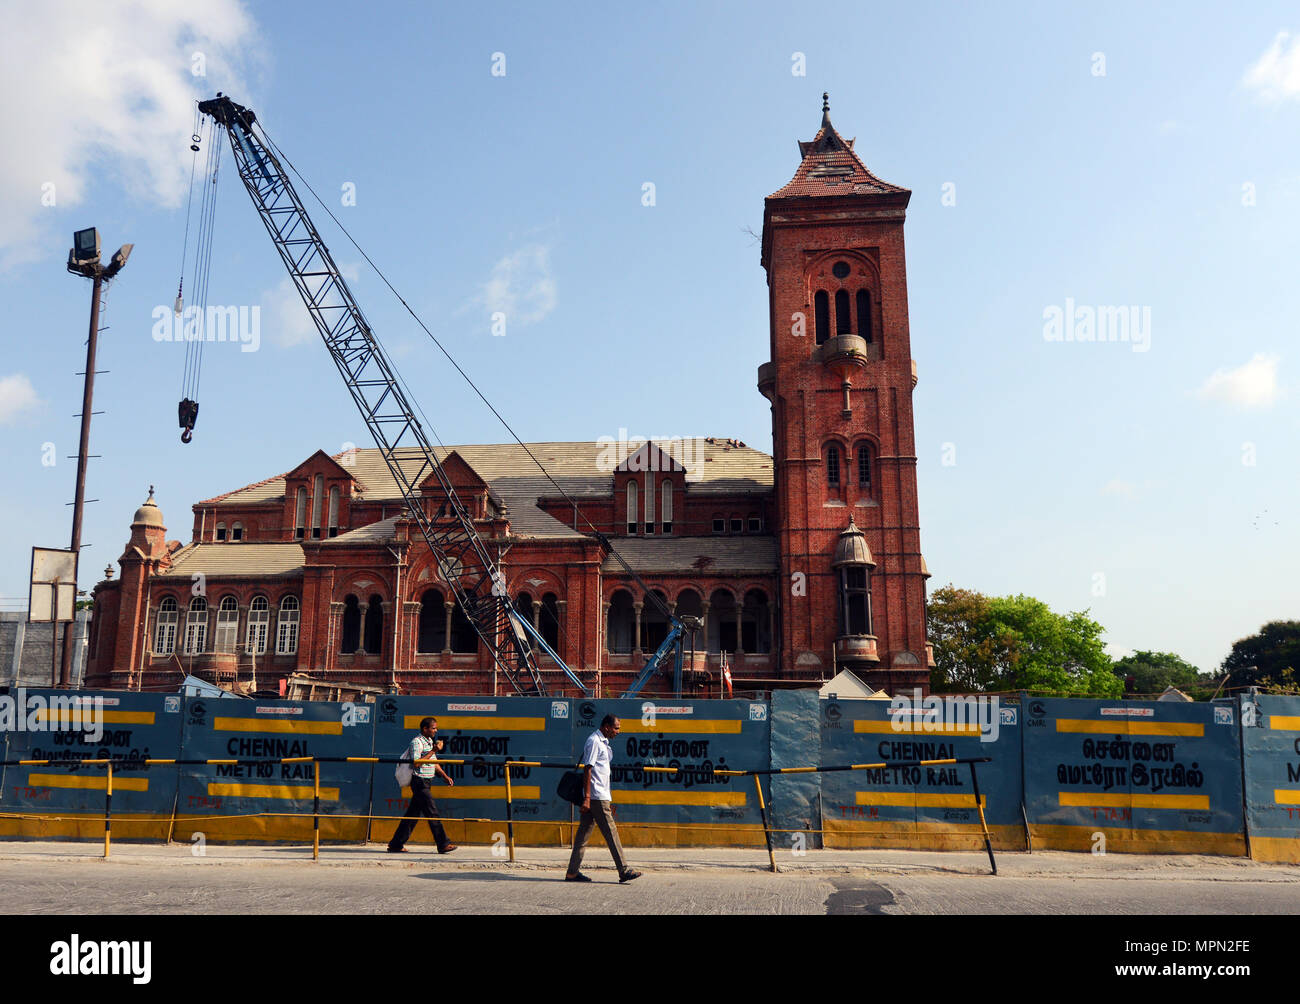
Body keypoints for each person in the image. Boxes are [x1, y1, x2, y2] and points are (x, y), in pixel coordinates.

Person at [565, 714, 641, 883]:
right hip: (596, 797)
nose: (618, 732)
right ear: (606, 726)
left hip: (598, 795)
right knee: (611, 833)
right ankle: (624, 870)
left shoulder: (602, 742)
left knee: (582, 836)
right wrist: (587, 797)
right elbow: (588, 769)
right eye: (616, 728)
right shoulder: (594, 741)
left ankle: (572, 872)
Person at [387, 716, 457, 854]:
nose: (435, 731)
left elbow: (434, 762)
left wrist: (444, 776)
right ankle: (443, 844)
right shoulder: (416, 742)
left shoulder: (429, 741)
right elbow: (416, 763)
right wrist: (434, 750)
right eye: (433, 728)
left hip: (427, 781)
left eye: (436, 728)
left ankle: (396, 844)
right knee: (432, 812)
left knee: (412, 816)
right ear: (425, 729)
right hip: (419, 782)